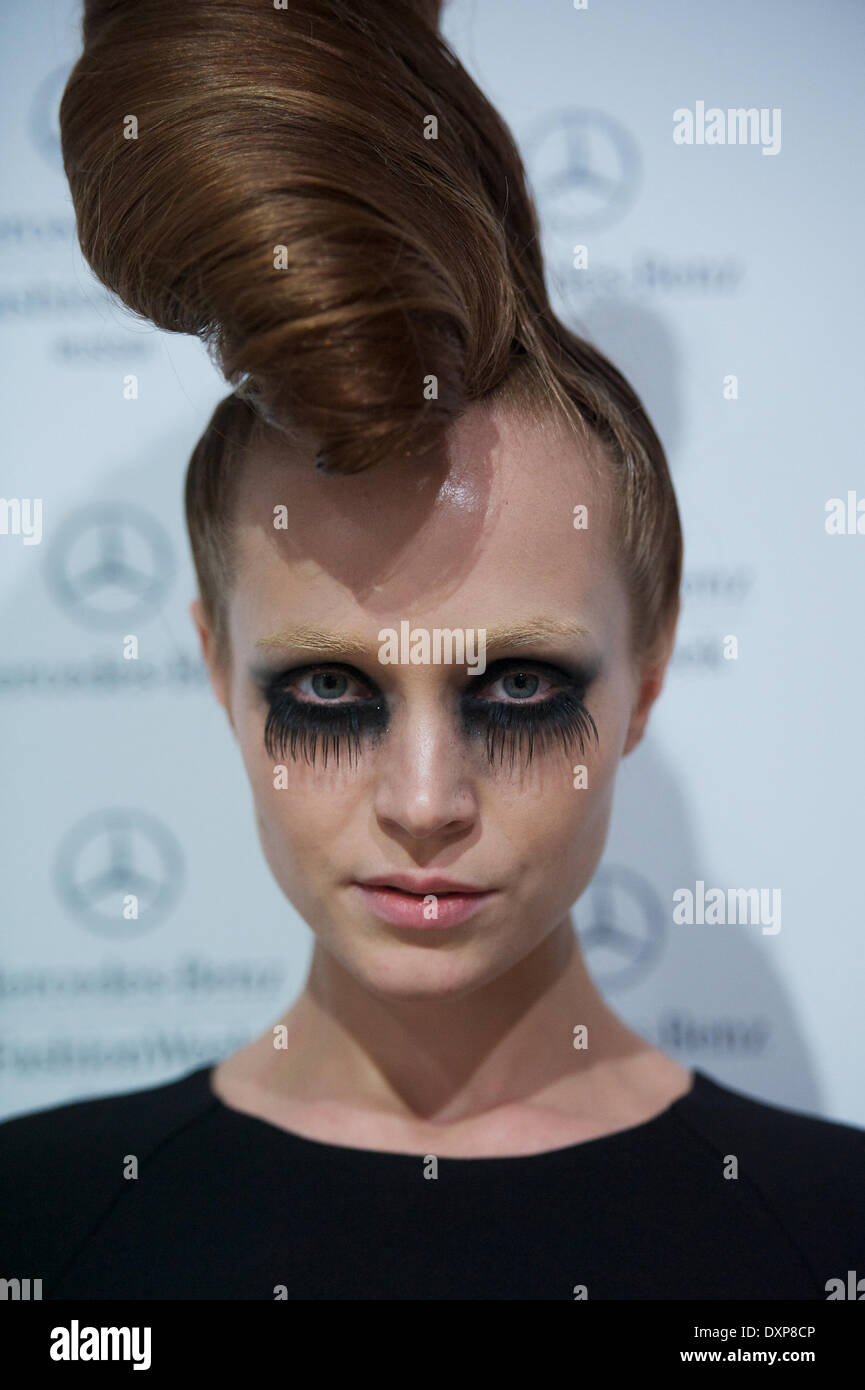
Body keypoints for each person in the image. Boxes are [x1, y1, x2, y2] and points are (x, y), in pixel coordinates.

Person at [1, 0, 862, 1300]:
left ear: (651, 668)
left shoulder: (831, 1237)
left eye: (516, 685)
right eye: (328, 689)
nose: (422, 802)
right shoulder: (37, 1224)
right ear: (215, 669)